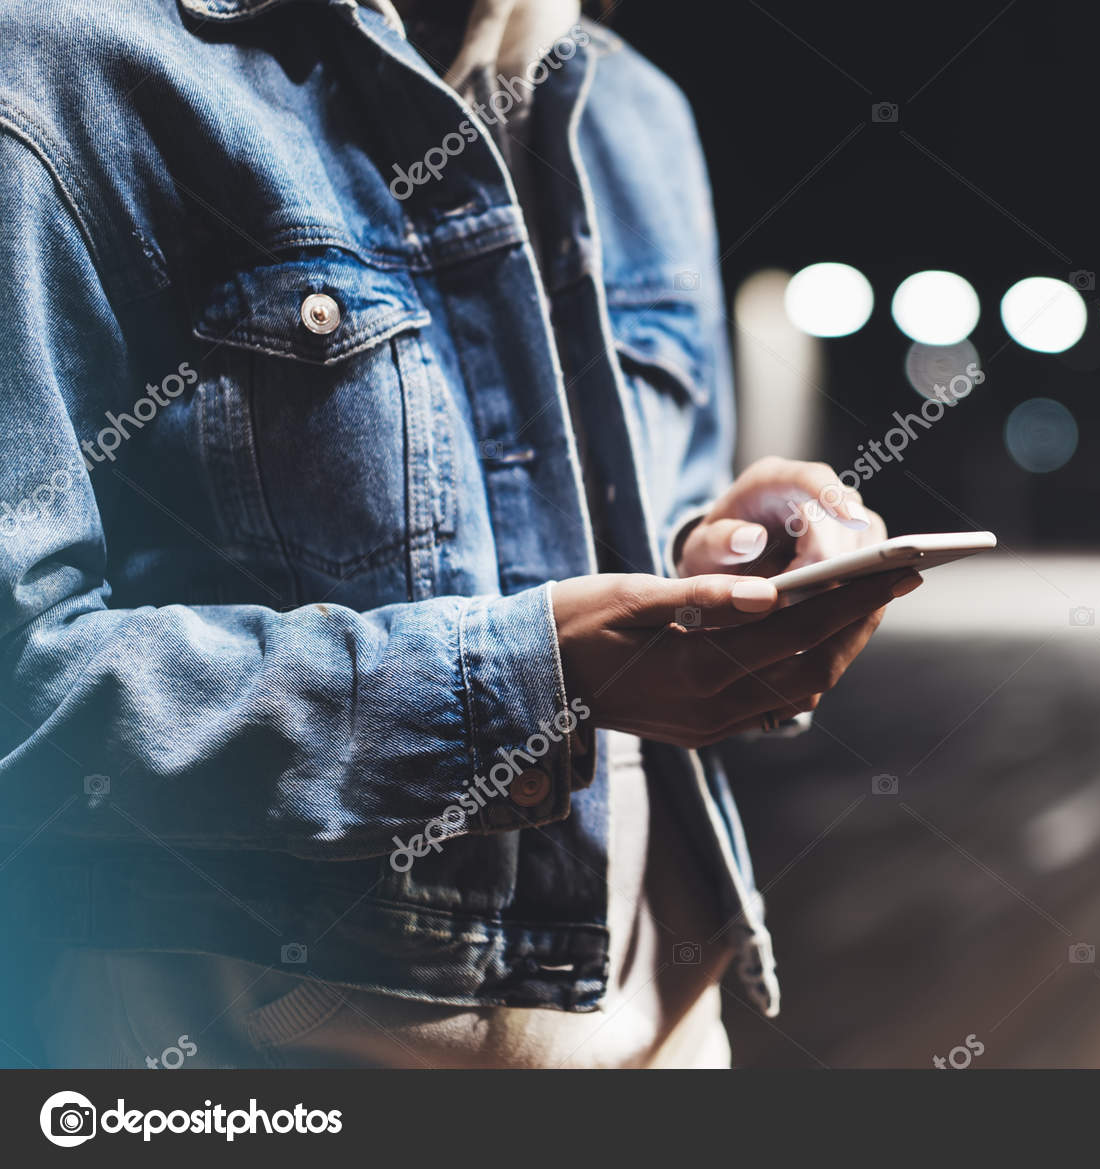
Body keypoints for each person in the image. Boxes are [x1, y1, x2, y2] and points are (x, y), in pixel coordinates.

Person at [0, 0, 917, 1068]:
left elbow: (570, 542)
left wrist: (724, 564)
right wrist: (518, 687)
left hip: (666, 1037)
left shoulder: (636, 113)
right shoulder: (65, 69)